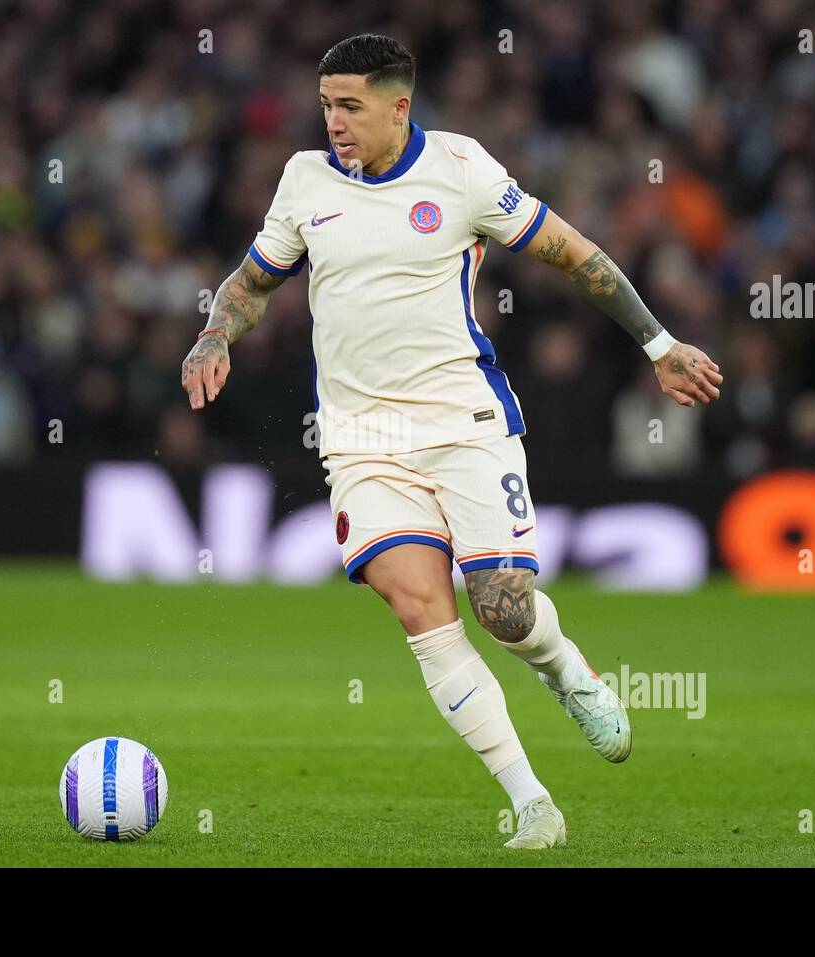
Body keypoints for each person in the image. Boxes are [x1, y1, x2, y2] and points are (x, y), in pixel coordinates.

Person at [181, 34, 723, 849]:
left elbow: (575, 255)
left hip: (465, 425)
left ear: (400, 108)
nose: (333, 122)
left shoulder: (462, 171)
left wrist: (658, 345)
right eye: (327, 104)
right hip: (361, 441)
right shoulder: (304, 181)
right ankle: (533, 802)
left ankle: (566, 669)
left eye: (350, 107)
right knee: (421, 610)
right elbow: (251, 282)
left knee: (503, 612)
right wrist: (214, 334)